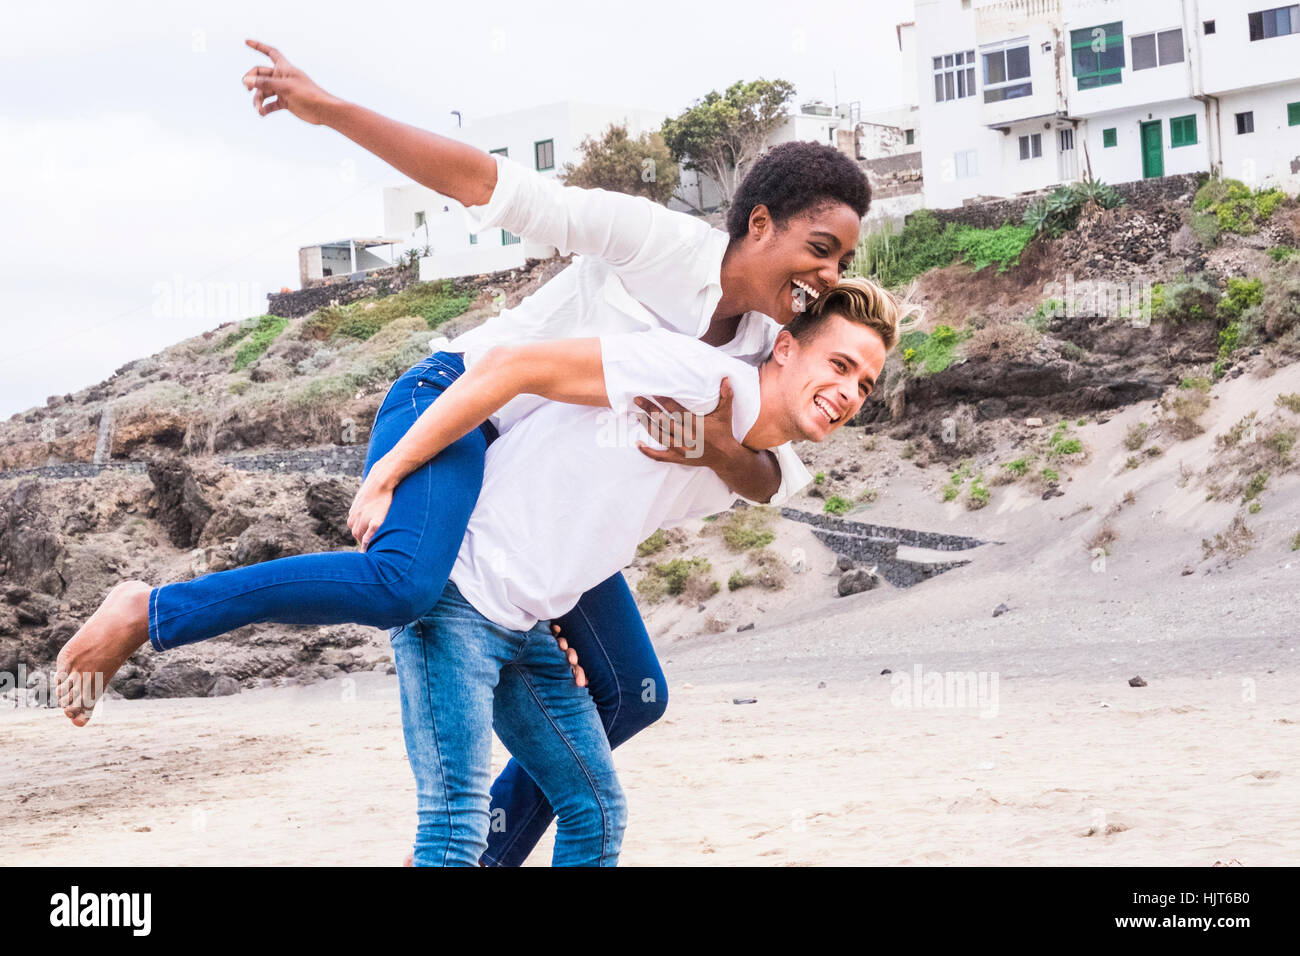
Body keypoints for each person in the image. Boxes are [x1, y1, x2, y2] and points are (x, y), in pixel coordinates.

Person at [54, 38, 873, 867]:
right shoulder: (658, 241)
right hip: (453, 405)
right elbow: (489, 186)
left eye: (842, 260)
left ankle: (488, 851)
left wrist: (711, 445)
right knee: (405, 583)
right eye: (819, 247)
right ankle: (148, 611)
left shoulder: (775, 346)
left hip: (531, 483)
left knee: (633, 695)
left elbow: (766, 474)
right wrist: (329, 109)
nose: (828, 273)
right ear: (759, 222)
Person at [380, 279, 898, 864]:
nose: (850, 391)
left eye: (865, 383)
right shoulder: (686, 302)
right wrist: (392, 476)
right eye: (841, 364)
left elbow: (770, 482)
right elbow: (513, 366)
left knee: (627, 720)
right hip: (462, 424)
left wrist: (716, 449)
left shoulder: (757, 388)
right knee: (462, 826)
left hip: (549, 564)